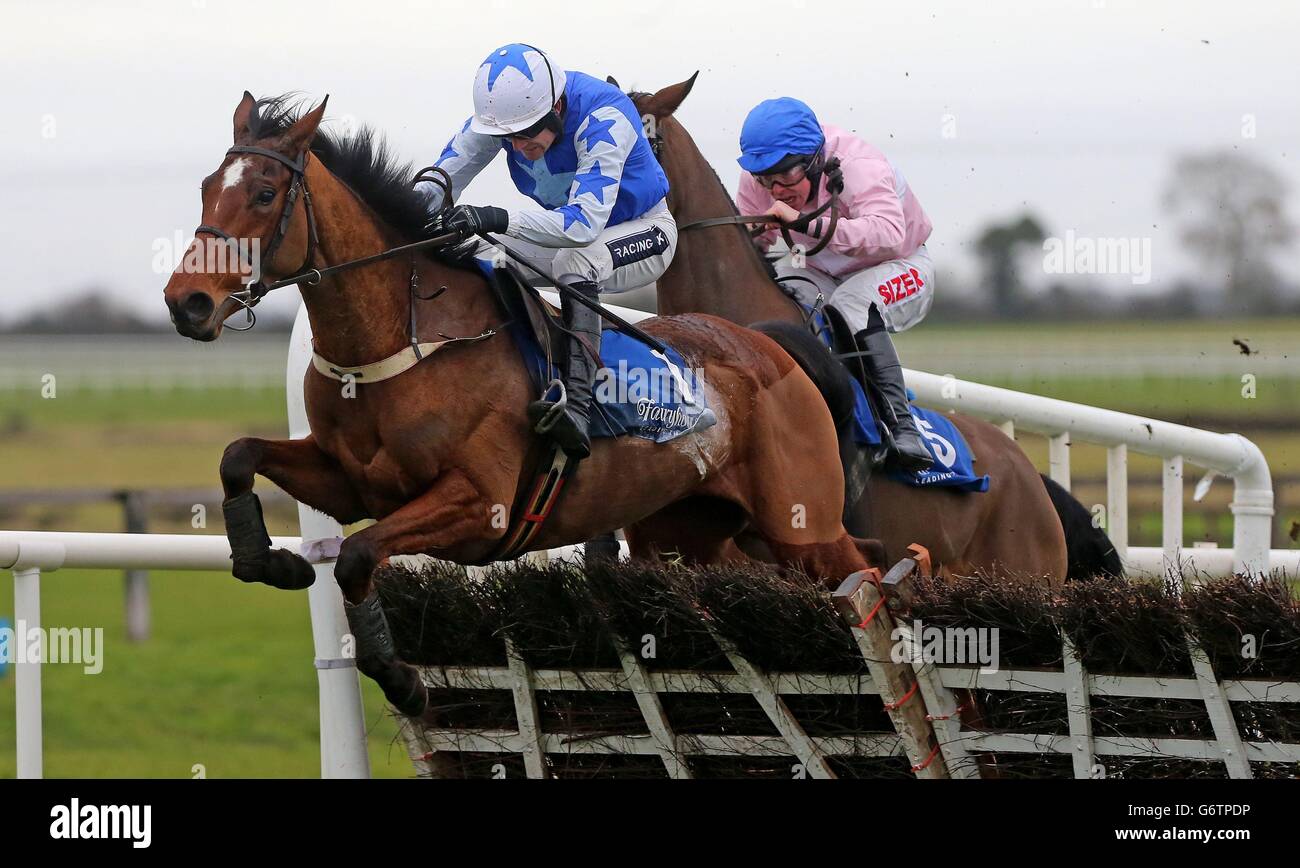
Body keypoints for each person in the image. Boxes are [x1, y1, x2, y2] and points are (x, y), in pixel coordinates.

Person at [419, 43, 675, 459]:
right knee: (475, 251)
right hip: (568, 238)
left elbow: (581, 226)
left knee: (577, 258)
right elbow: (437, 185)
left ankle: (577, 406)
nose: (517, 146)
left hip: (645, 231)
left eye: (526, 133)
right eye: (507, 137)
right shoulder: (504, 119)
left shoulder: (604, 116)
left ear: (557, 105)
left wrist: (495, 216)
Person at [735, 97, 935, 472]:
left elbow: (891, 233)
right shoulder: (757, 178)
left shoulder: (859, 165)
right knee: (783, 299)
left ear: (814, 160)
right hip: (819, 270)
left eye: (787, 175)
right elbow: (751, 245)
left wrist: (802, 223)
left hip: (900, 264)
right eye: (766, 179)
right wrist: (748, 236)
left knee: (851, 304)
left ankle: (901, 427)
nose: (776, 189)